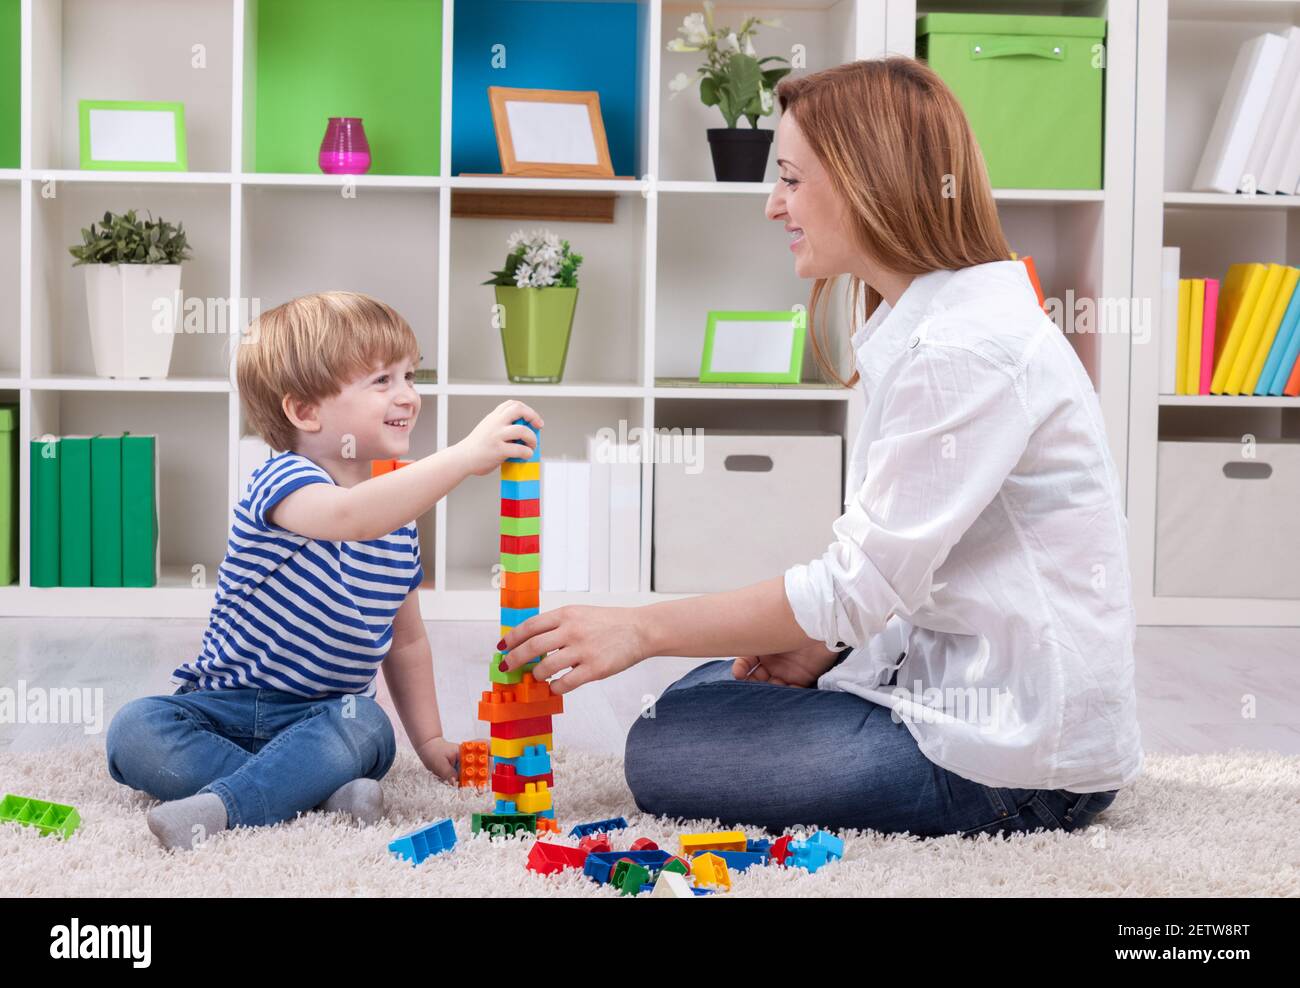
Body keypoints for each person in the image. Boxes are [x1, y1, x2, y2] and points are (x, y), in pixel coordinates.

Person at [498, 57, 1142, 838]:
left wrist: (639, 628)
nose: (775, 206)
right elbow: (912, 574)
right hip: (954, 688)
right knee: (699, 692)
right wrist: (823, 651)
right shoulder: (931, 329)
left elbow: (857, 585)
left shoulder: (964, 352)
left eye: (793, 180)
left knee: (662, 747)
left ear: (868, 180)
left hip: (1018, 768)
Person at [105, 290, 544, 850]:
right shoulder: (282, 481)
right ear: (305, 411)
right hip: (222, 706)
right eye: (381, 381)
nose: (408, 395)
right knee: (135, 730)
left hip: (326, 716)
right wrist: (460, 456)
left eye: (410, 375)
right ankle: (306, 794)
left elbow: (406, 644)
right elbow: (348, 517)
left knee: (369, 728)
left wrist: (430, 742)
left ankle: (242, 797)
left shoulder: (398, 520)